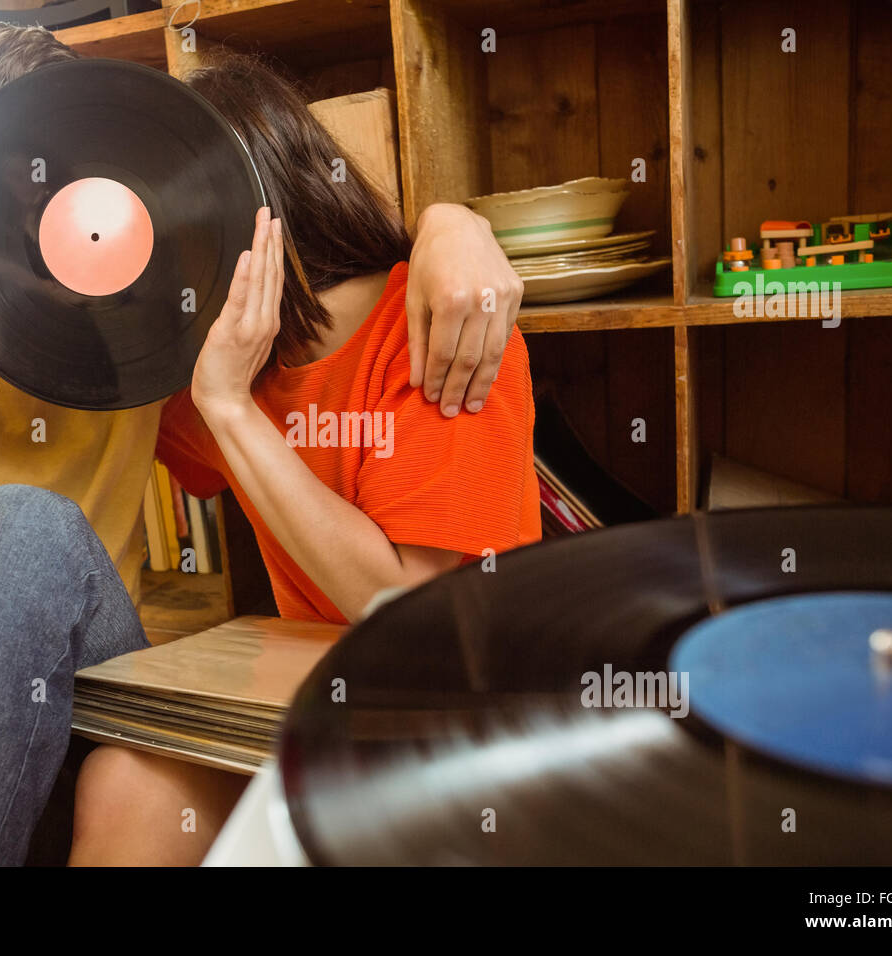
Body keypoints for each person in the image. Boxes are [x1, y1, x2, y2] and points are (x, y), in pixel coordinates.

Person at [0, 22, 524, 865]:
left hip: (60, 706)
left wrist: (454, 227)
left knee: (19, 530)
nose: (56, 247)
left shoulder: (148, 350)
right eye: (14, 202)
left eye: (80, 200)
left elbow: (391, 588)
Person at [69, 55, 539, 866]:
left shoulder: (434, 330)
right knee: (121, 781)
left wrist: (230, 409)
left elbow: (404, 605)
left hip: (461, 701)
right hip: (307, 700)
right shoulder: (218, 359)